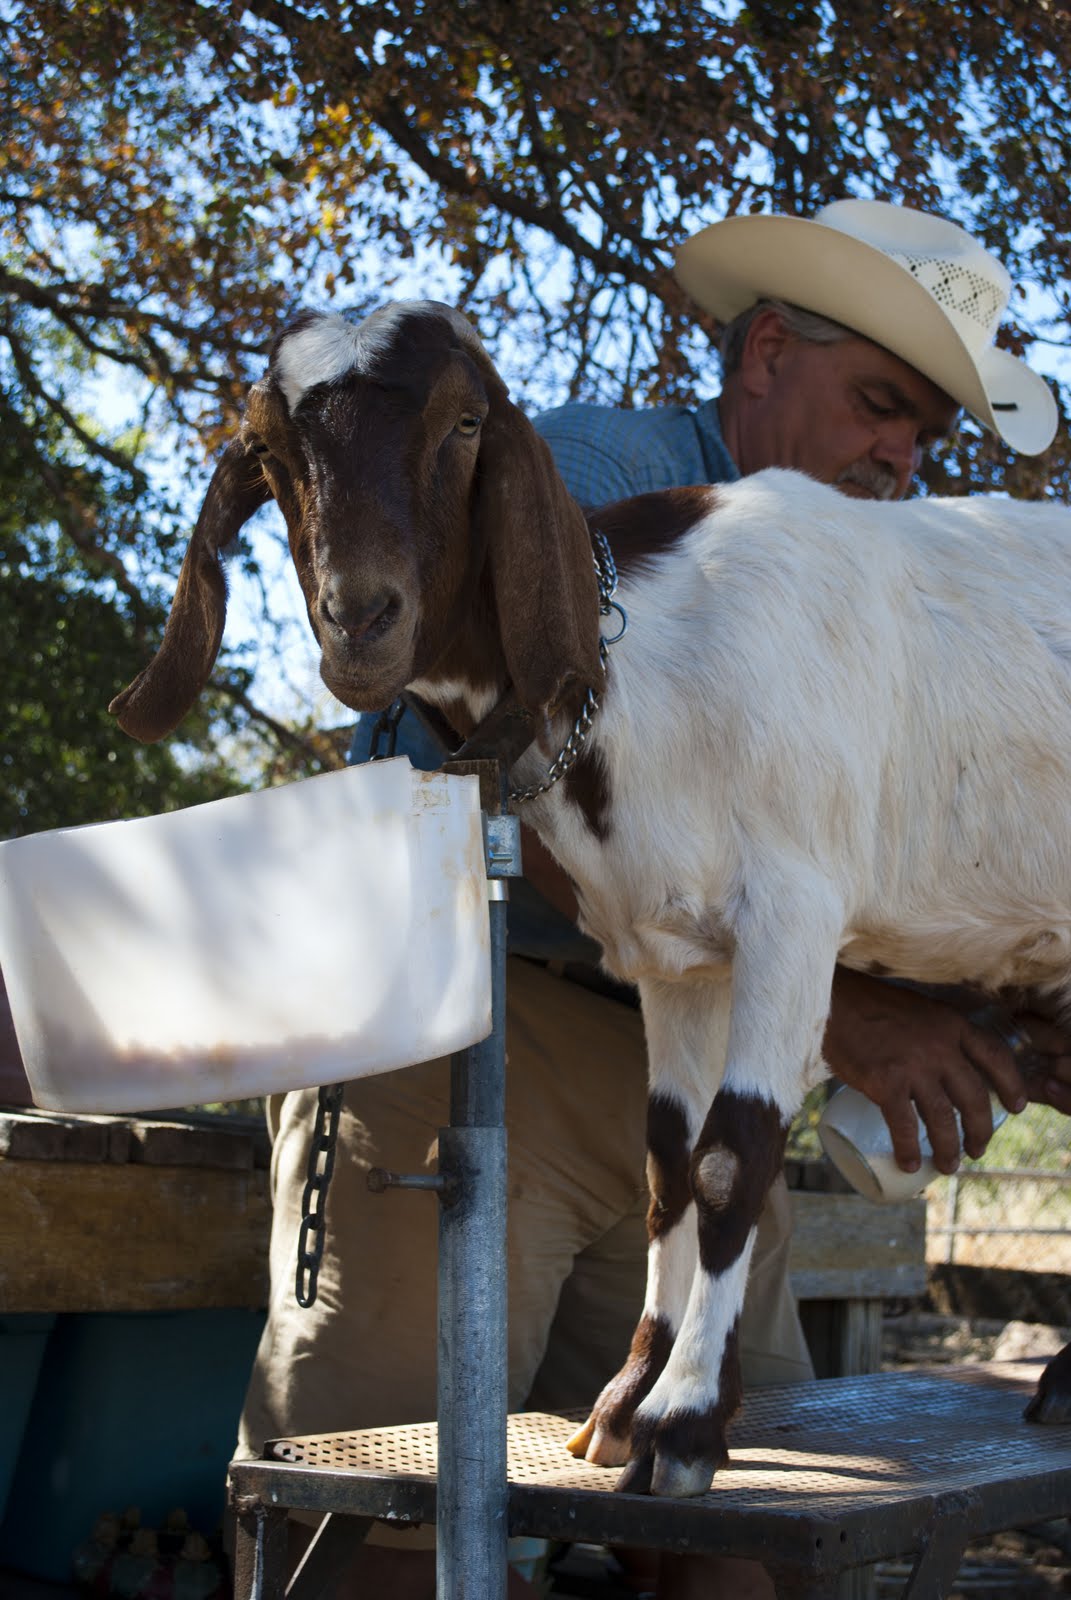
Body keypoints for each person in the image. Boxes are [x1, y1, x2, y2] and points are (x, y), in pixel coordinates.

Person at [234, 200, 1071, 1600]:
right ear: (766, 353)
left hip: (703, 1083)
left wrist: (1001, 1000)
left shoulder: (876, 584)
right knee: (378, 1519)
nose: (902, 458)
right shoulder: (578, 480)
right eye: (881, 406)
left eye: (927, 436)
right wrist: (848, 1011)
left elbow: (885, 856)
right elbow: (416, 762)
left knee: (746, 1542)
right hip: (469, 1048)